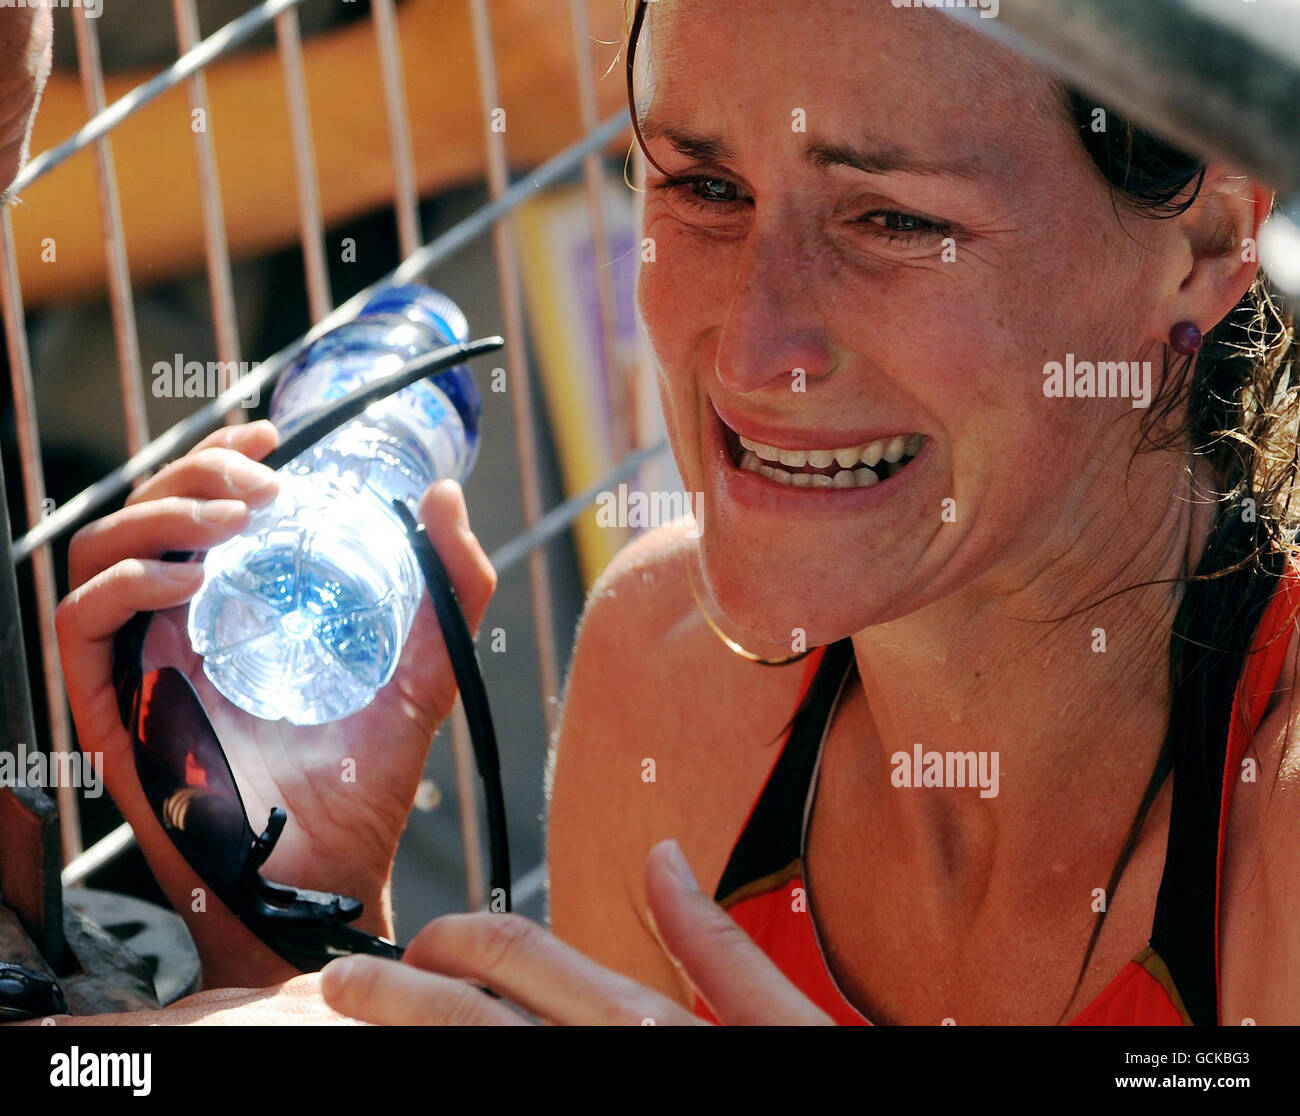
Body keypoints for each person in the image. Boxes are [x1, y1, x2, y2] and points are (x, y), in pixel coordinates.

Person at [59, 0, 1300, 1026]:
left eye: (893, 219)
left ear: (1202, 242)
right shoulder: (664, 667)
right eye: (703, 187)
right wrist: (292, 922)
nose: (754, 349)